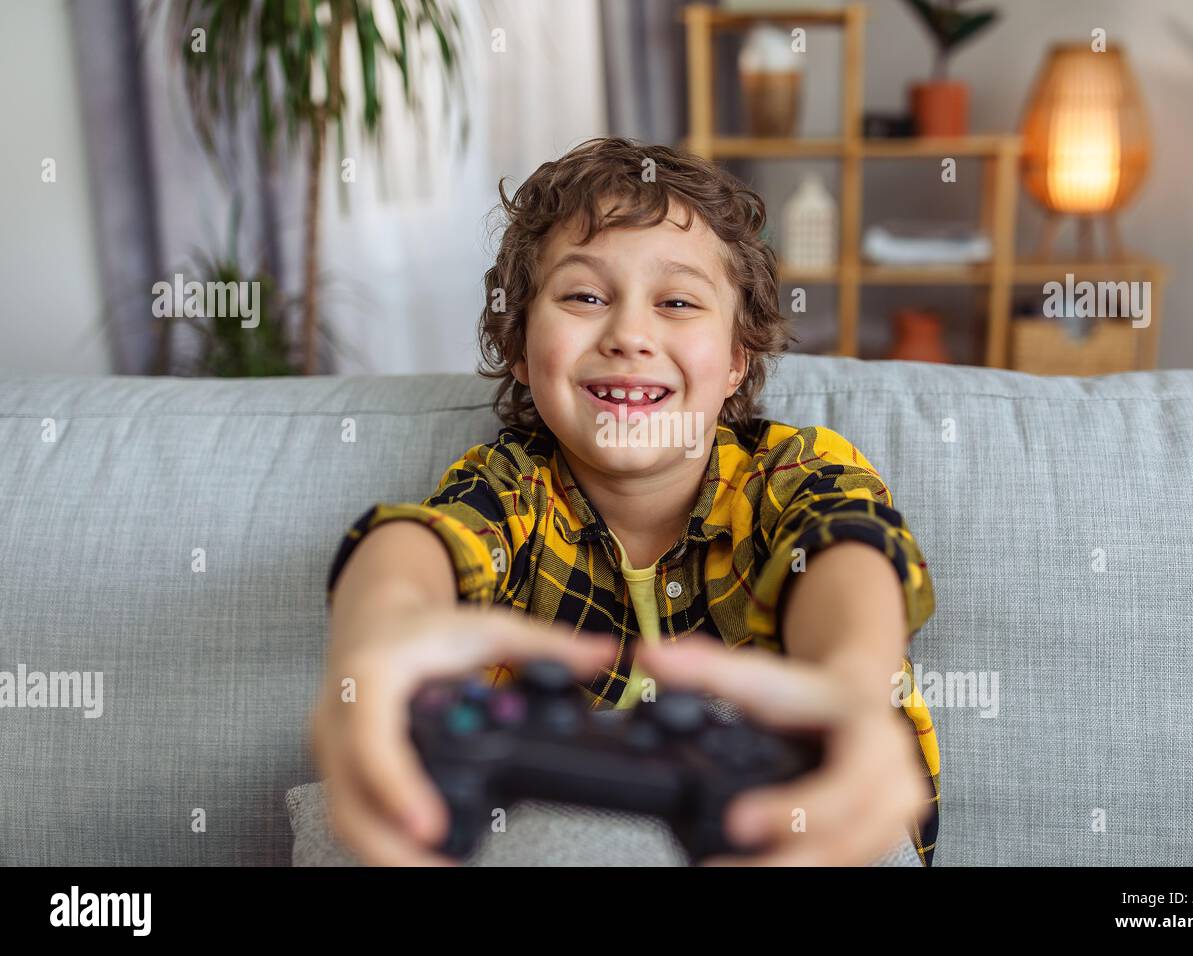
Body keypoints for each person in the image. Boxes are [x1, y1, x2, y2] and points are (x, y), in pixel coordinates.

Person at [313, 136, 939, 866]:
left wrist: (851, 678)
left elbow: (852, 550)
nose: (630, 335)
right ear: (519, 345)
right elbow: (420, 544)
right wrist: (380, 631)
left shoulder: (794, 469)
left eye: (676, 301)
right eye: (583, 296)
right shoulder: (512, 486)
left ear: (737, 357)